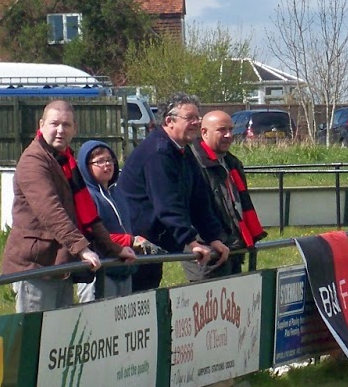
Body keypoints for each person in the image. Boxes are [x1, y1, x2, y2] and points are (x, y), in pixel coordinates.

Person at [0, 101, 133, 312]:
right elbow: (50, 211)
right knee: (35, 336)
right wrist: (82, 248)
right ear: (41, 124)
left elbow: (87, 211)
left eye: (66, 125)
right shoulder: (34, 161)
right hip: (36, 265)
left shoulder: (67, 161)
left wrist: (114, 248)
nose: (60, 130)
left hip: (60, 264)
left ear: (75, 129)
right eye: (54, 124)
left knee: (58, 338)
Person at [117, 93, 230, 289]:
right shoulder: (158, 153)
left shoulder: (183, 151)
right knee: (135, 303)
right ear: (169, 121)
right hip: (133, 248)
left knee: (149, 299)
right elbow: (167, 204)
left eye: (198, 117)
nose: (196, 123)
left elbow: (200, 200)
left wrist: (214, 237)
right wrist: (191, 242)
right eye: (190, 118)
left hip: (154, 246)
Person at [190, 110, 268, 280]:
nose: (228, 135)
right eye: (222, 130)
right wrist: (212, 241)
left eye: (231, 130)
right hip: (206, 250)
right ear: (204, 132)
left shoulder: (232, 163)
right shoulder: (192, 164)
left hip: (233, 246)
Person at [75, 139, 148, 301]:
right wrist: (129, 240)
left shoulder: (117, 193)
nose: (107, 165)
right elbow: (92, 234)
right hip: (100, 273)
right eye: (99, 161)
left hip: (124, 269)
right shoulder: (87, 196)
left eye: (109, 160)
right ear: (86, 167)